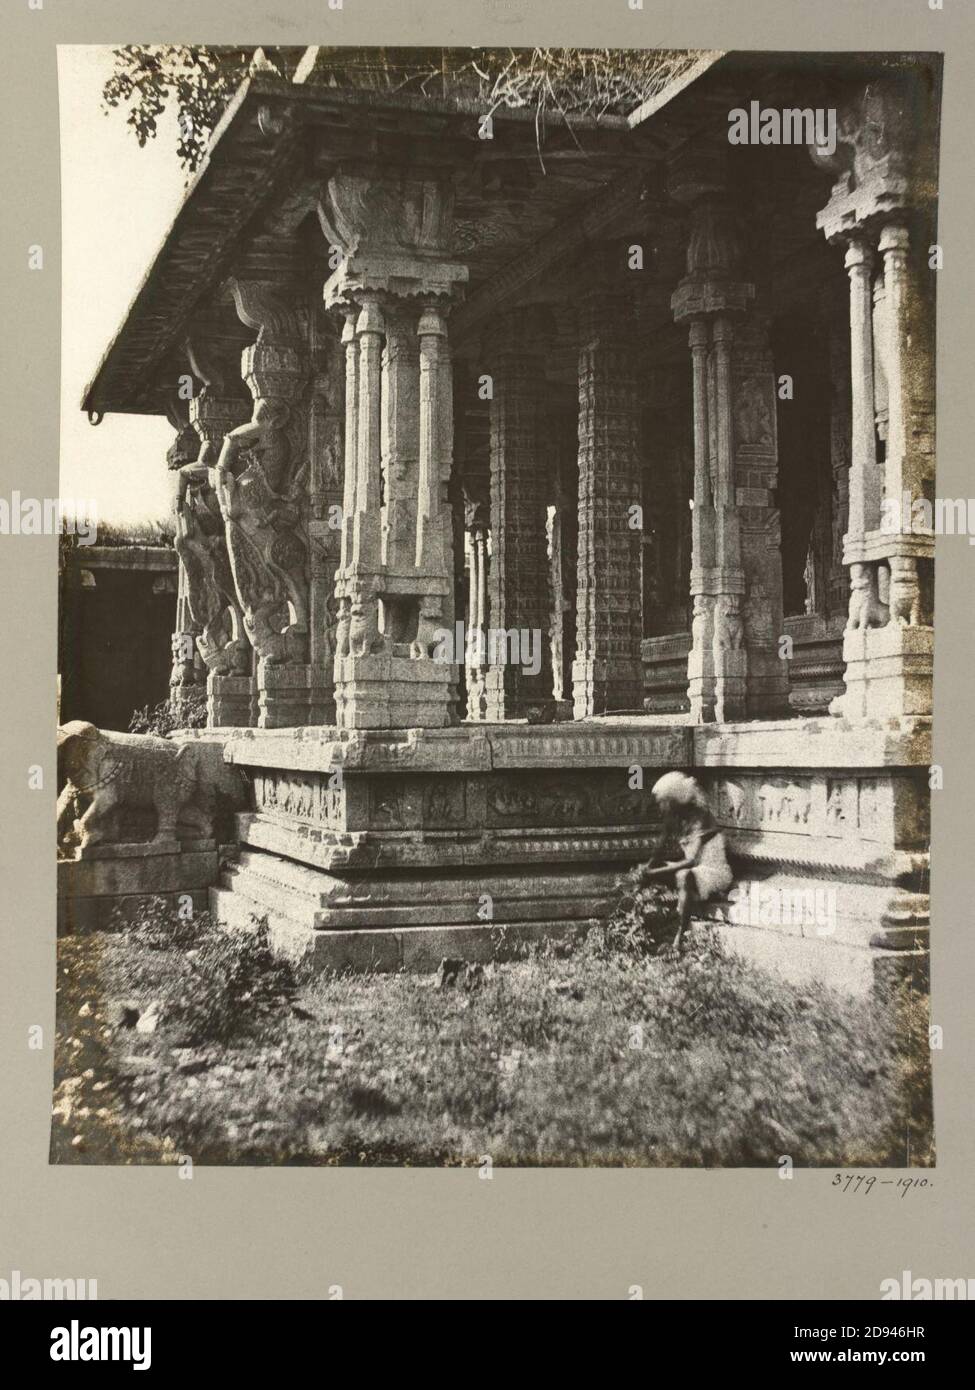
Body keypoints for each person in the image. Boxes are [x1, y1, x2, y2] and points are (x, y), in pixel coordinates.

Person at [633, 772, 734, 952]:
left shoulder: (701, 818)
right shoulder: (674, 820)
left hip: (714, 872)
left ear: (674, 800)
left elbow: (690, 862)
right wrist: (646, 869)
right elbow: (659, 849)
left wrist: (653, 872)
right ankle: (643, 927)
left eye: (663, 802)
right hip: (696, 872)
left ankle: (679, 938)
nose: (661, 807)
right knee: (659, 871)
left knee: (684, 875)